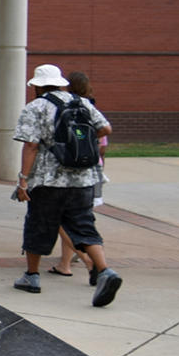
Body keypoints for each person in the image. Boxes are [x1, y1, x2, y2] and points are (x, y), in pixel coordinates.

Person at [12, 64, 122, 306]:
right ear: (60, 82)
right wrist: (78, 142)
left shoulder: (36, 107)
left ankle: (31, 276)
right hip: (83, 179)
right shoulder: (82, 103)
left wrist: (23, 181)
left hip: (48, 180)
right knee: (83, 224)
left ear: (37, 87)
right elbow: (106, 128)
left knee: (39, 224)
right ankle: (104, 271)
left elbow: (30, 145)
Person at [49, 71, 105, 283]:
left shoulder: (66, 108)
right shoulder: (91, 106)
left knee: (61, 221)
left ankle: (90, 262)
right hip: (92, 169)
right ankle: (65, 264)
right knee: (78, 218)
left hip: (68, 171)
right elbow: (105, 133)